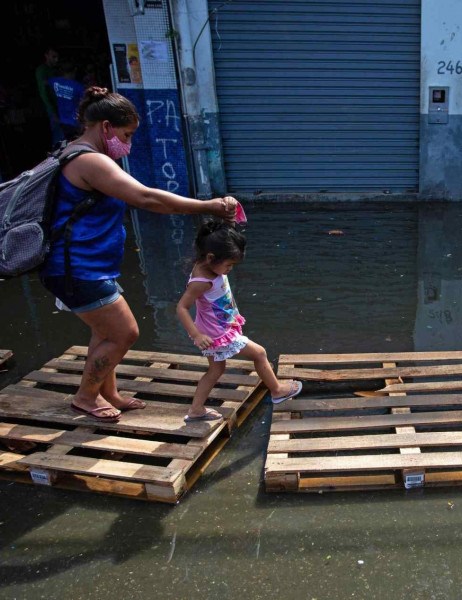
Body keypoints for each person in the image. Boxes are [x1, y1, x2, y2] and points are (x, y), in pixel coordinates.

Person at [39, 86, 239, 422]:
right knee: (125, 333)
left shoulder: (74, 152)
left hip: (87, 267)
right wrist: (208, 206)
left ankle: (109, 393)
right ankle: (85, 397)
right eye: (126, 134)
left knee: (105, 332)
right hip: (77, 270)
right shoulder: (90, 160)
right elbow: (147, 198)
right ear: (105, 127)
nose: (127, 144)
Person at [176, 221, 302, 421]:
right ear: (210, 258)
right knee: (259, 353)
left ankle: (196, 409)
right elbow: (181, 308)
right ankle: (277, 390)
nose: (230, 269)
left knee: (216, 369)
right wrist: (196, 335)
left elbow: (217, 235)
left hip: (218, 328)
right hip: (217, 334)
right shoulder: (202, 282)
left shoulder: (209, 264)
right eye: (228, 265)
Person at [48, 61, 85, 140]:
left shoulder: (54, 81)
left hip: (59, 120)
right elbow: (83, 104)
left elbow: (44, 83)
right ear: (75, 70)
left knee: (60, 146)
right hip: (74, 122)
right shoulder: (79, 87)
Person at [35, 46, 62, 146]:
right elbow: (43, 92)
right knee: (58, 136)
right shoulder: (42, 70)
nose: (56, 59)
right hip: (52, 108)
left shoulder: (56, 70)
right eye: (53, 56)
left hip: (61, 107)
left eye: (57, 57)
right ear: (46, 56)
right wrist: (52, 111)